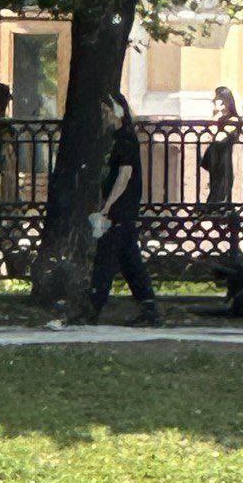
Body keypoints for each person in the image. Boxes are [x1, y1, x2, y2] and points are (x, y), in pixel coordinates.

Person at [87, 92, 160, 326]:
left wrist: (107, 206)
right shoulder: (119, 138)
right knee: (129, 259)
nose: (104, 116)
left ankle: (93, 307)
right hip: (122, 210)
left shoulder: (125, 139)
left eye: (106, 111)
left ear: (118, 111)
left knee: (106, 258)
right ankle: (149, 308)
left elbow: (124, 175)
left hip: (120, 209)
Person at [201, 86, 239, 205]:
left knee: (220, 195)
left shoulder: (233, 119)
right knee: (214, 191)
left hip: (223, 163)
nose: (213, 101)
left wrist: (216, 115)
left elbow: (219, 138)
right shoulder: (220, 118)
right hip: (215, 163)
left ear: (225, 101)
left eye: (216, 98)